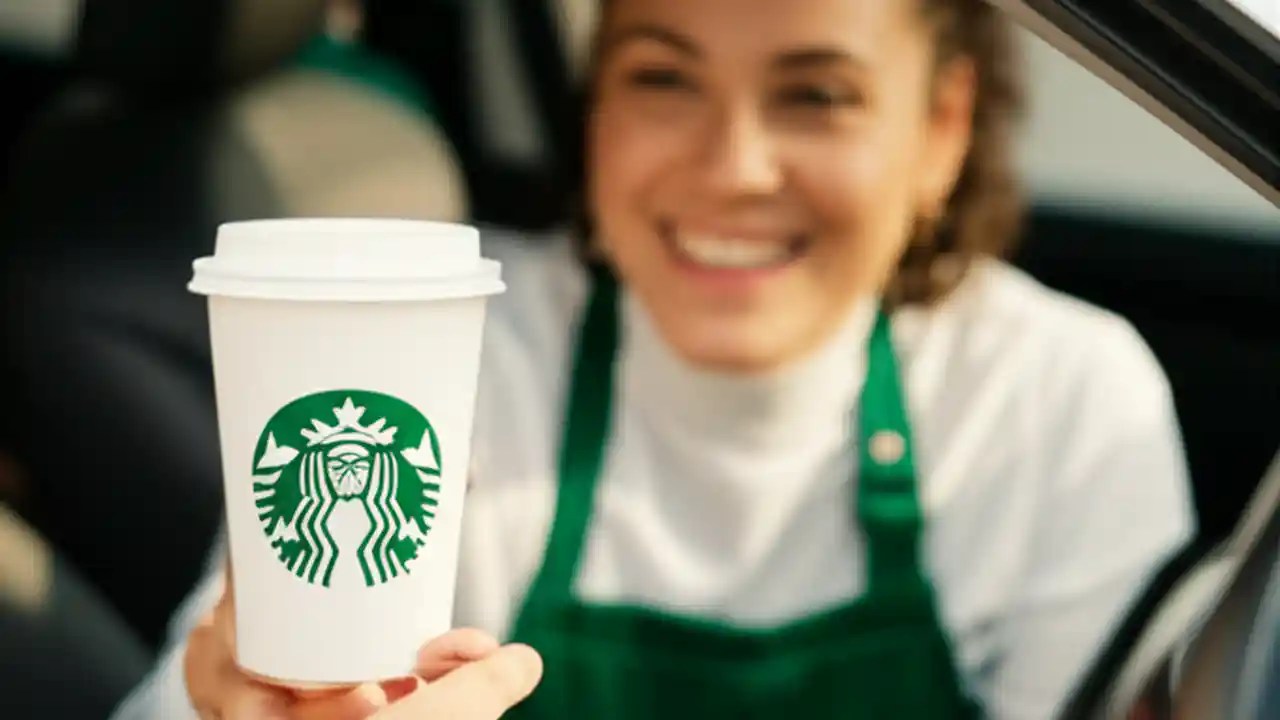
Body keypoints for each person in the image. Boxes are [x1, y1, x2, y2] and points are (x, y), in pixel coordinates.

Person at [113, 0, 1196, 717]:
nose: (732, 168)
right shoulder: (443, 346)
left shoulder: (1062, 407)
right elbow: (198, 684)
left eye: (814, 94)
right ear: (595, 113)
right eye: (661, 80)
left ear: (941, 127)